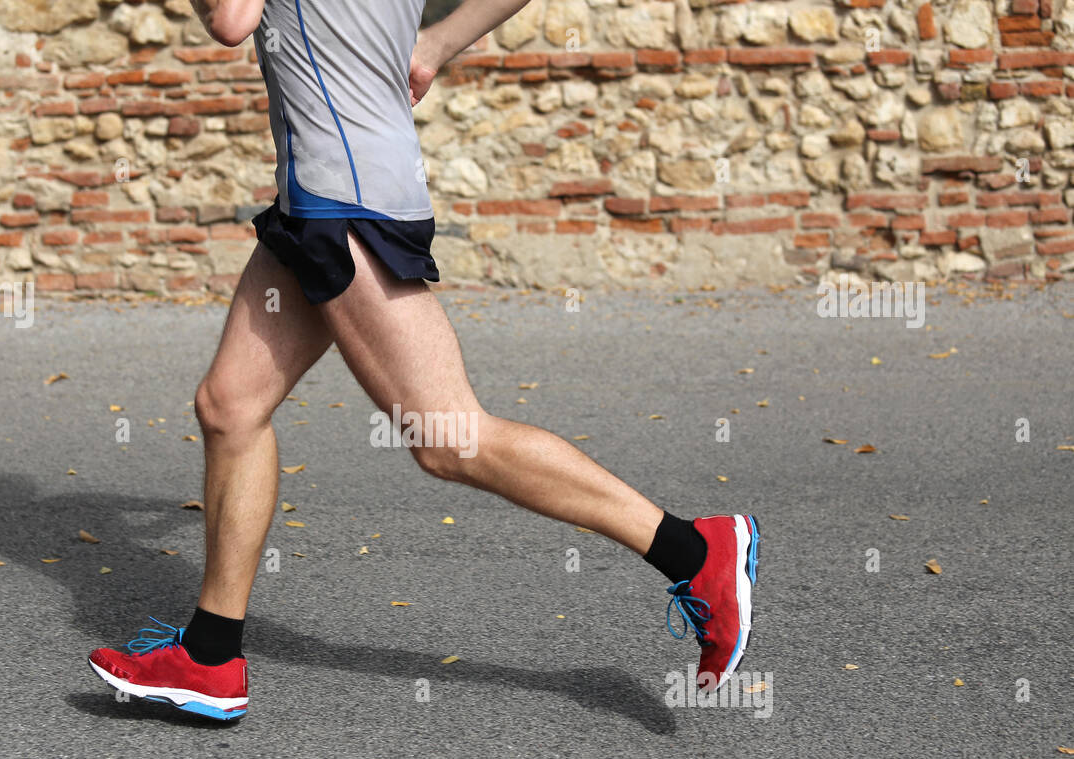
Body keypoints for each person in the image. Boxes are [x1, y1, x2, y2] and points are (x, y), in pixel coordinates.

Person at [87, 0, 761, 720]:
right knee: (230, 405)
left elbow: (230, 17)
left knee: (448, 439)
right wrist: (437, 40)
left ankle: (696, 552)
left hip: (340, 198)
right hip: (327, 186)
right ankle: (210, 658)